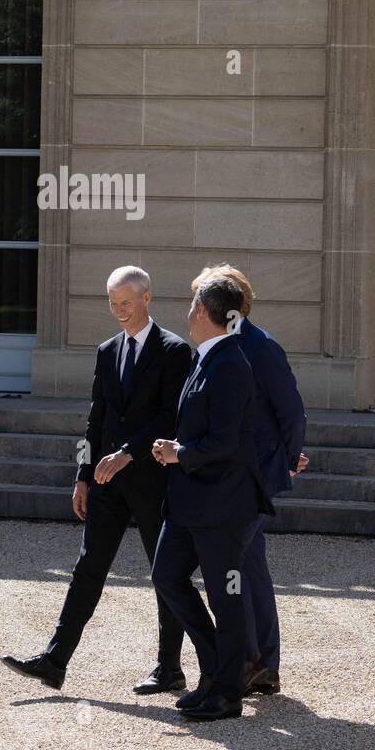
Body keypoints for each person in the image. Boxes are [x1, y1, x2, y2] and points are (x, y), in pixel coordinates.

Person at [1, 266, 190, 693]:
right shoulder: (106, 351)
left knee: (165, 574)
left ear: (147, 298)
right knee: (87, 569)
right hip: (105, 482)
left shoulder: (175, 351)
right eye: (112, 302)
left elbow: (170, 417)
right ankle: (55, 661)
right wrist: (82, 477)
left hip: (153, 480)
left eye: (126, 302)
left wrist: (128, 454)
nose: (118, 310)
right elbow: (96, 420)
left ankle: (169, 668)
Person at [150, 273, 274, 721]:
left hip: (223, 505)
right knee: (166, 576)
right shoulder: (205, 358)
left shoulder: (231, 364)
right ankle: (216, 671)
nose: (186, 313)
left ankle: (227, 694)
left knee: (226, 596)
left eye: (190, 305)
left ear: (202, 310)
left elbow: (225, 442)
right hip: (188, 502)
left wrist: (176, 453)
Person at [193, 264, 309, 697]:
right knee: (247, 567)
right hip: (226, 477)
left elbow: (292, 412)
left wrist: (285, 460)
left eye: (201, 300)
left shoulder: (260, 347)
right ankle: (263, 662)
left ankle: (249, 660)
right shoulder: (215, 344)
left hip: (252, 478)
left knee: (232, 568)